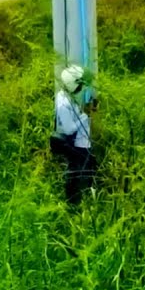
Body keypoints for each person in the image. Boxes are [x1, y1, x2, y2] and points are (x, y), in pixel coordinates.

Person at [52, 65, 95, 200]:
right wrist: (86, 115)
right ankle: (73, 203)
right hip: (74, 145)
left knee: (83, 172)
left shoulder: (68, 96)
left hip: (80, 143)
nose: (82, 88)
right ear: (73, 84)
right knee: (76, 175)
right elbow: (69, 128)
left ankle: (78, 200)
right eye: (80, 85)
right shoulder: (63, 103)